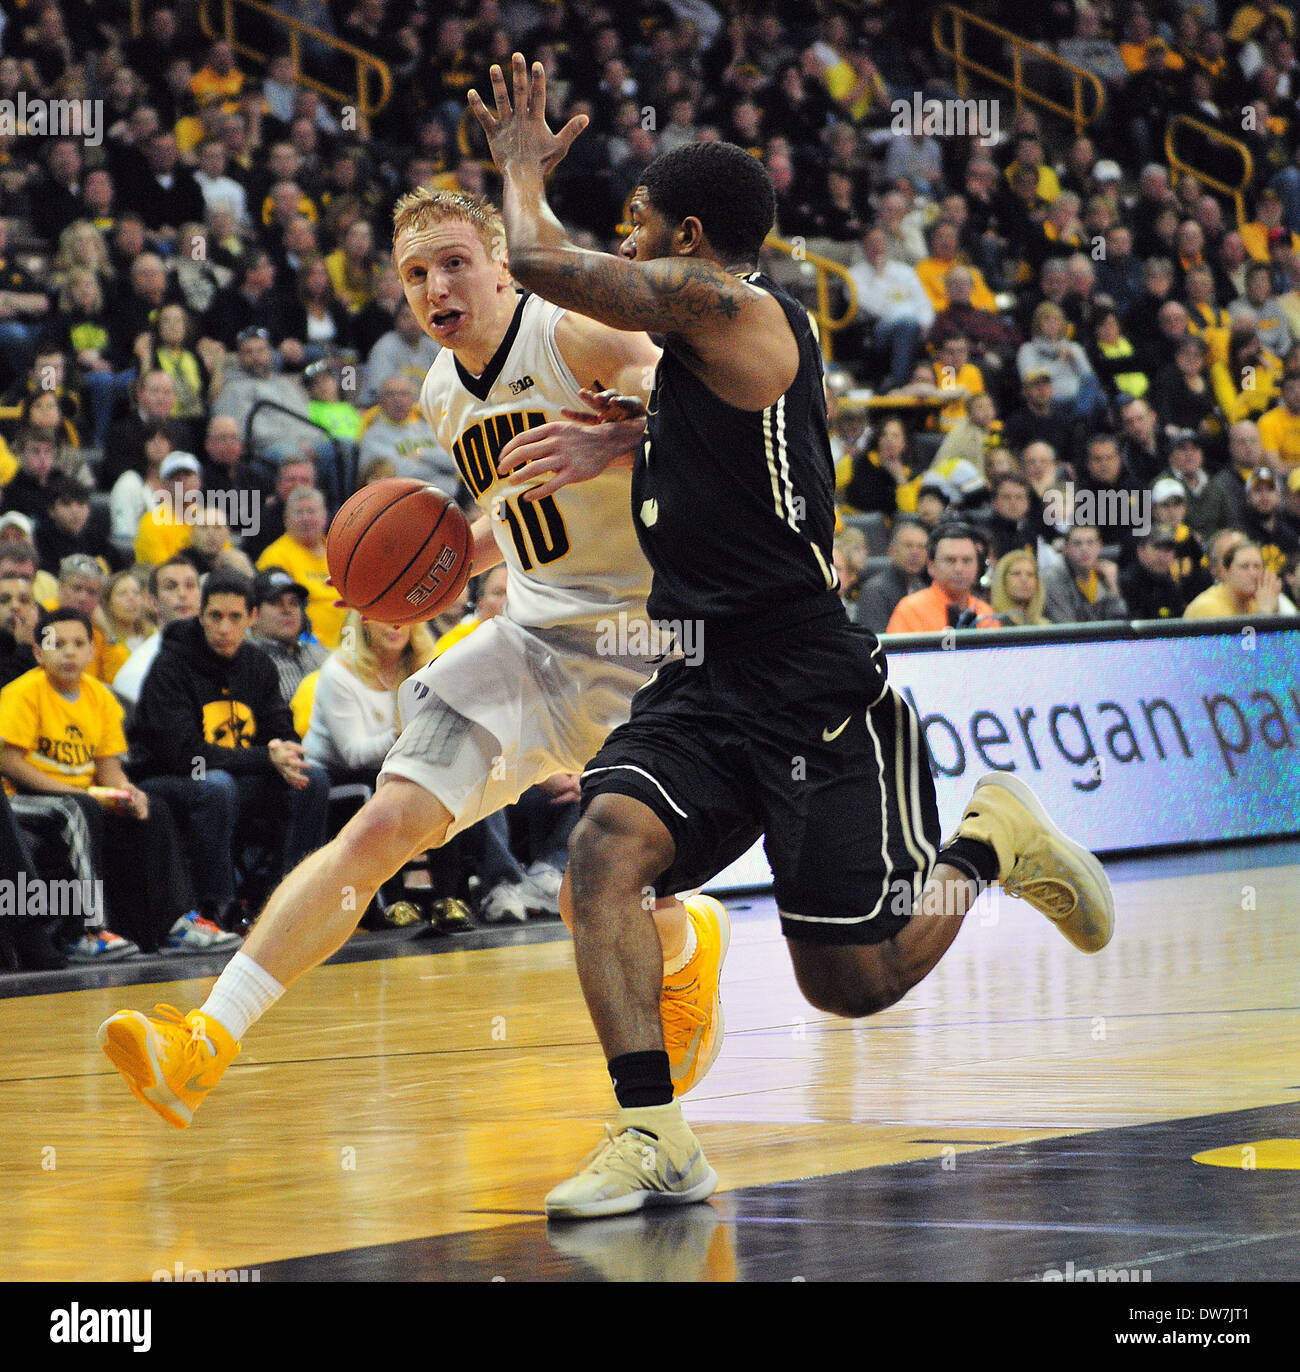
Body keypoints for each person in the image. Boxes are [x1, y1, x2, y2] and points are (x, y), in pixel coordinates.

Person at [459, 59, 1111, 1219]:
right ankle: (653, 1130)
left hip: (806, 671)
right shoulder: (700, 355)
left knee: (850, 986)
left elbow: (541, 266)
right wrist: (625, 442)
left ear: (689, 235)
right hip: (701, 670)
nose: (632, 239)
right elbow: (708, 435)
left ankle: (987, 850)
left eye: (643, 225)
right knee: (603, 853)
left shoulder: (737, 307)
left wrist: (516, 173)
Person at [99, 185, 725, 1140]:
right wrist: (437, 567)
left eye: (455, 261)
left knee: (590, 893)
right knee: (381, 826)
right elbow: (513, 524)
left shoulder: (579, 334)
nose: (436, 286)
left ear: (504, 263)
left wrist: (618, 436)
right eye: (416, 273)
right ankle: (203, 1044)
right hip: (533, 640)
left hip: (658, 650)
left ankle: (688, 953)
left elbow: (719, 425)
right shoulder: (440, 391)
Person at [885, 523, 996, 633]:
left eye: (967, 560)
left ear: (979, 566)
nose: (959, 569)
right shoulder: (910, 610)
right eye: (950, 560)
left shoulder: (985, 613)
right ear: (931, 566)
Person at [1041, 524, 1129, 624]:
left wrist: (1113, 588)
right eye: (1077, 544)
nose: (1084, 549)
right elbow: (1066, 627)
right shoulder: (1052, 578)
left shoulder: (1106, 574)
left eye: (1090, 543)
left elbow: (1120, 623)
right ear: (1066, 548)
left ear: (1099, 546)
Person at [985, 549, 1047, 626]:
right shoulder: (990, 622)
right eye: (1016, 574)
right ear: (1002, 580)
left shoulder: (1044, 627)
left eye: (1030, 574)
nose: (1024, 579)